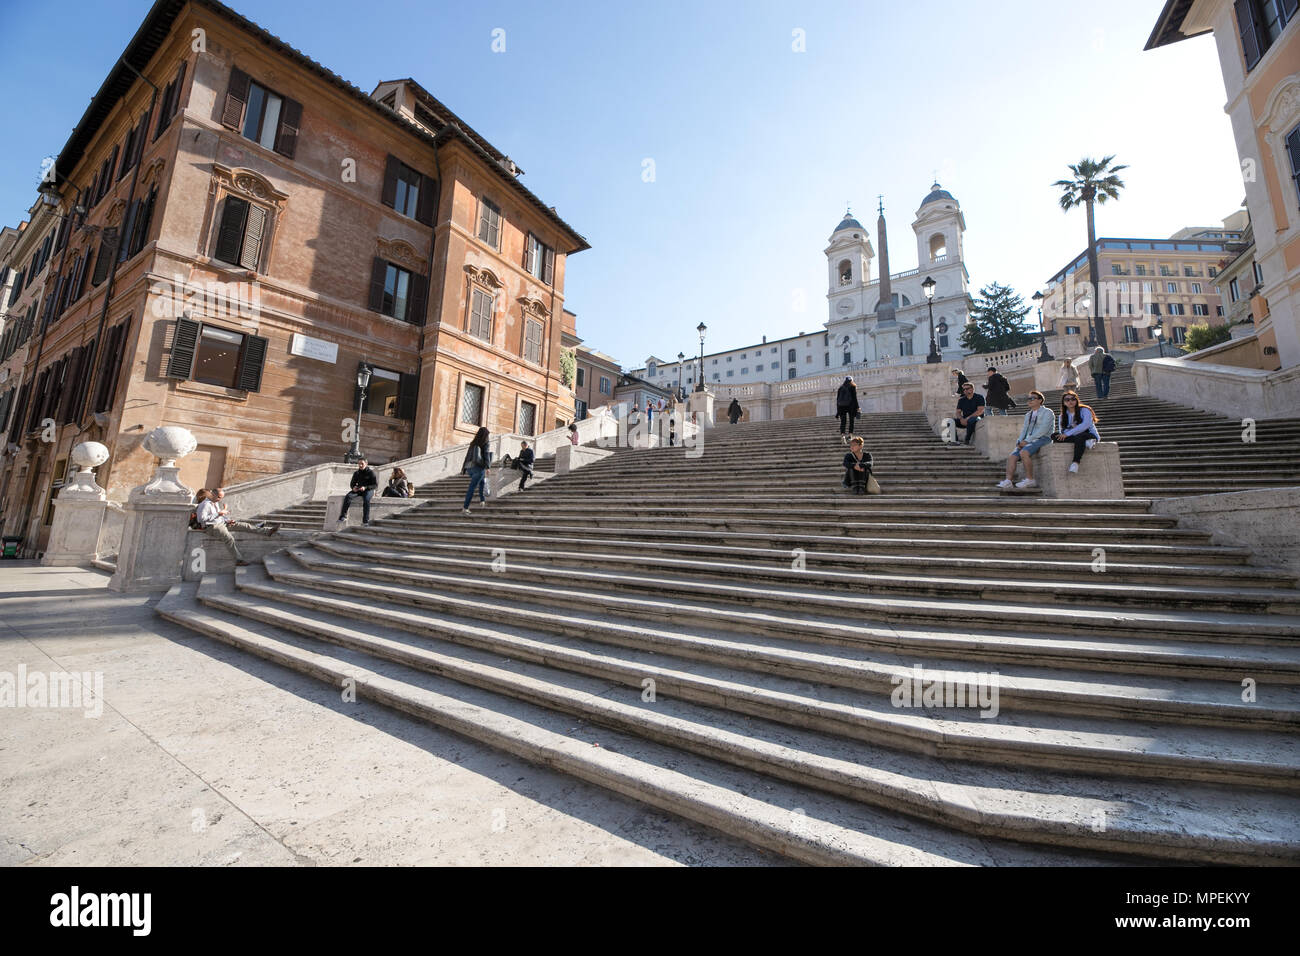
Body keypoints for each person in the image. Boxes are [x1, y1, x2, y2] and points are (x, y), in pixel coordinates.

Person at [195, 488, 278, 566]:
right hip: (212, 527)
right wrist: (218, 513)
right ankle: (239, 560)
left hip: (222, 523)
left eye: (221, 498)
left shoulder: (215, 503)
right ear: (213, 494)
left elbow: (220, 516)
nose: (220, 499)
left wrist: (228, 520)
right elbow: (201, 519)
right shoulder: (205, 504)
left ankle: (267, 532)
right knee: (229, 538)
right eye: (219, 497)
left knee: (245, 525)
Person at [996, 390, 1056, 490]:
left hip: (1043, 438)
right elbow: (1024, 430)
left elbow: (1043, 430)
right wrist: (1019, 441)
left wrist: (1027, 440)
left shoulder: (1048, 412)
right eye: (1028, 399)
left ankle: (1030, 479)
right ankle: (1008, 481)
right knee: (1012, 457)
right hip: (1028, 440)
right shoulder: (1029, 414)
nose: (1030, 400)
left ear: (1040, 400)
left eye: (1032, 398)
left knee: (1024, 452)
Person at [1054, 390, 1101, 473]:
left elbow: (1085, 425)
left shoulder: (1085, 410)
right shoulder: (1062, 416)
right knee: (1054, 436)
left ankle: (1075, 463)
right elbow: (1062, 431)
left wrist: (1067, 433)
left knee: (1080, 436)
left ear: (1077, 400)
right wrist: (1065, 434)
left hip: (1089, 435)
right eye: (1067, 400)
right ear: (1064, 403)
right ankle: (1087, 443)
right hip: (1074, 437)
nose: (1070, 401)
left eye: (1073, 399)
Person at [338, 458, 379, 525]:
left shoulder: (371, 472)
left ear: (366, 464)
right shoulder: (356, 473)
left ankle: (365, 521)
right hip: (358, 489)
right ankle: (343, 516)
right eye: (359, 464)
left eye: (362, 464)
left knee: (366, 500)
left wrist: (365, 487)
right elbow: (352, 484)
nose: (360, 465)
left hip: (368, 490)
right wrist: (353, 487)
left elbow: (375, 485)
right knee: (348, 496)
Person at [461, 427, 492, 513]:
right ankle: (465, 507)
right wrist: (488, 467)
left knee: (482, 482)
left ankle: (482, 500)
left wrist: (463, 468)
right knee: (472, 487)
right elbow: (486, 454)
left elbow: (467, 456)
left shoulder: (473, 443)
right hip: (478, 467)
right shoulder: (485, 442)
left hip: (469, 468)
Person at [836, 377, 860, 443]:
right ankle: (850, 436)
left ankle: (843, 436)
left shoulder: (840, 388)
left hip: (841, 406)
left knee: (843, 422)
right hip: (851, 406)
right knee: (851, 421)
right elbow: (855, 398)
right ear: (851, 381)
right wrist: (858, 407)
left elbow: (837, 400)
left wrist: (837, 412)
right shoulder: (853, 387)